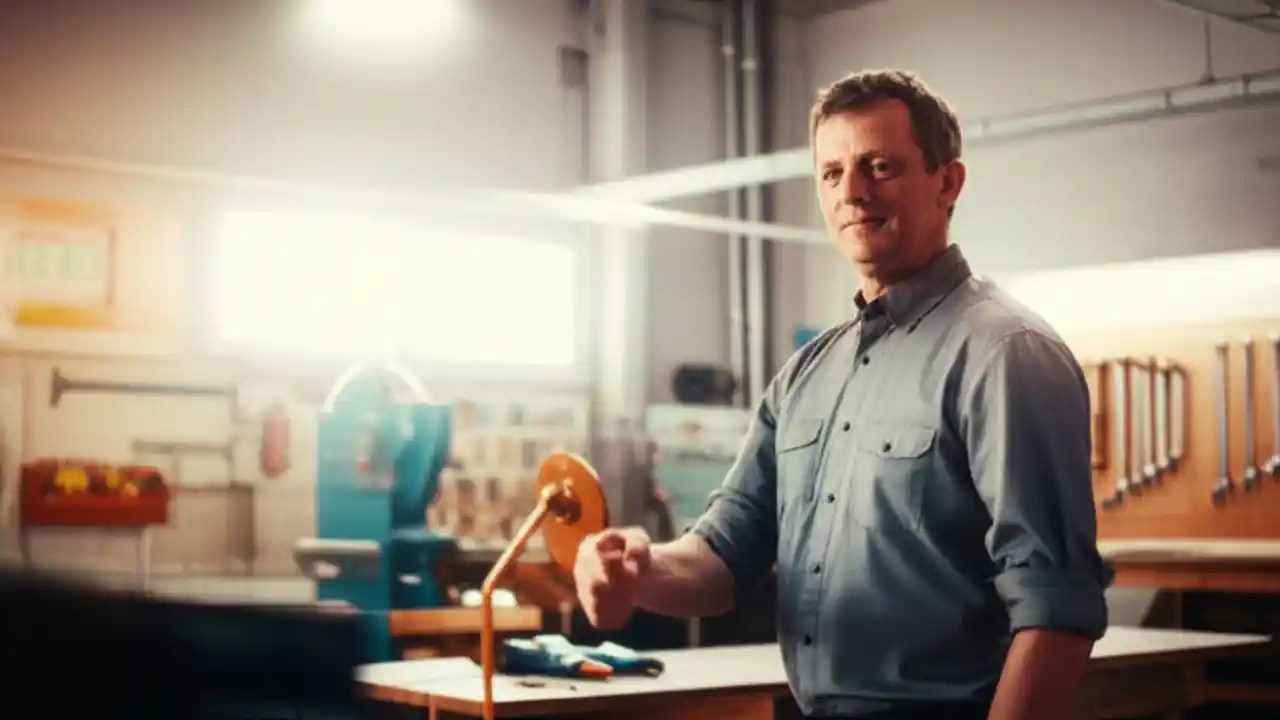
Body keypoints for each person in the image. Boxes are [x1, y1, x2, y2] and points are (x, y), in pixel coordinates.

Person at [573, 68, 1112, 720]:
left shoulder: (1005, 354)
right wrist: (635, 570)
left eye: (879, 166)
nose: (852, 192)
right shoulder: (806, 376)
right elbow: (723, 556)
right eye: (831, 173)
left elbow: (1057, 608)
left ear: (948, 182)